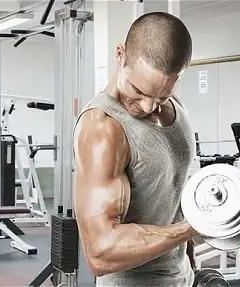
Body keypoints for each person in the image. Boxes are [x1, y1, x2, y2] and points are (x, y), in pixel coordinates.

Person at [73, 12, 199, 287]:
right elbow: (100, 253)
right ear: (120, 55)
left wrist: (190, 258)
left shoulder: (177, 108)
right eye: (137, 90)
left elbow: (174, 200)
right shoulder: (103, 128)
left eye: (160, 96)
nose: (146, 106)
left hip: (182, 279)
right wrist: (192, 229)